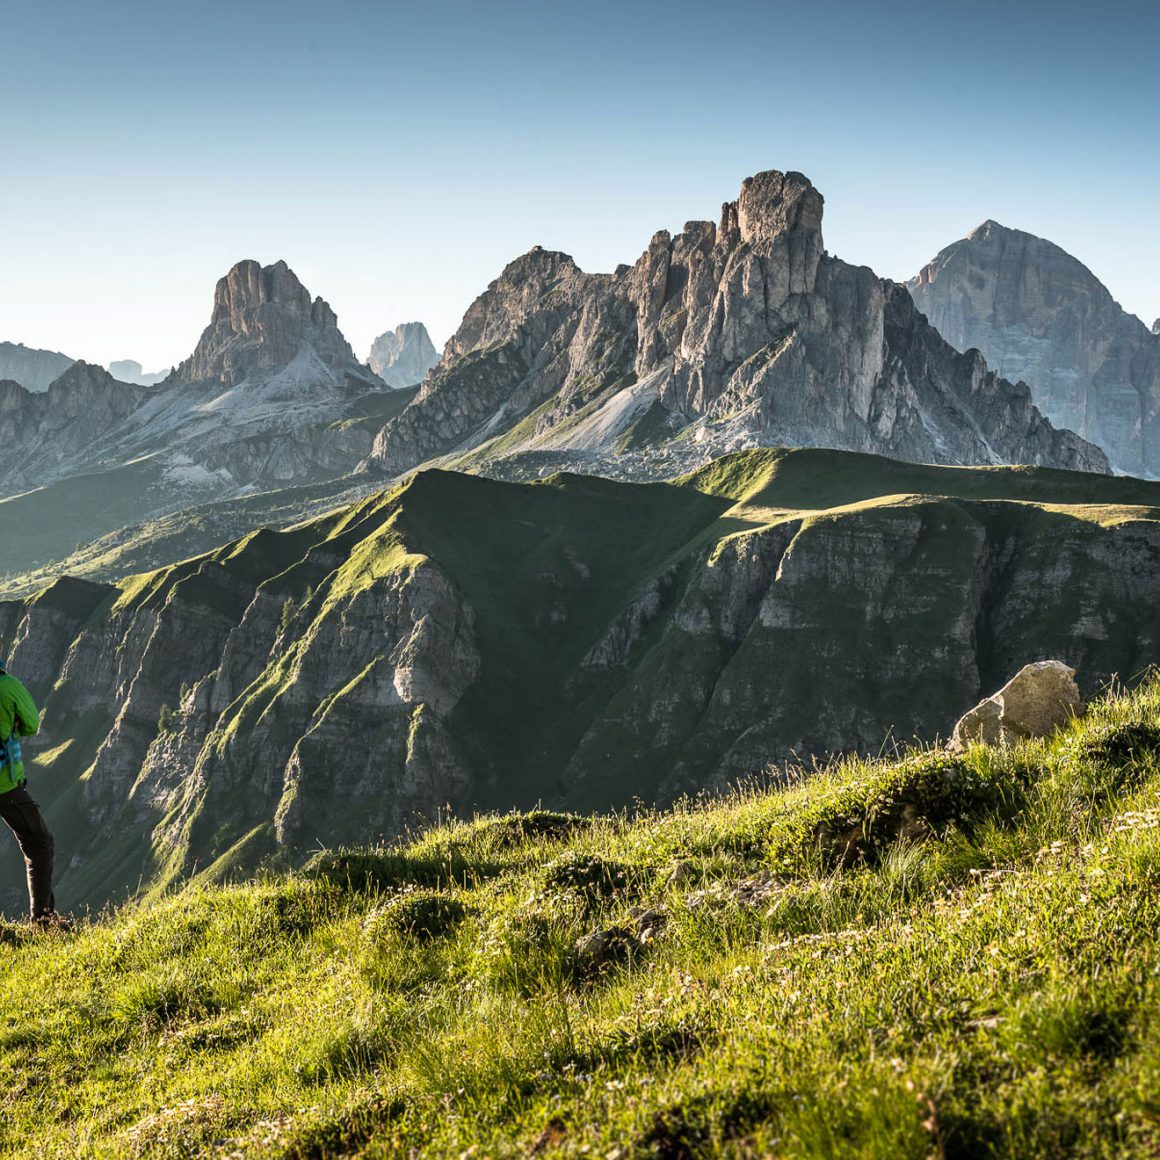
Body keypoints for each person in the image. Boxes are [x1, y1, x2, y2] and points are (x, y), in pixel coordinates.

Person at [0, 657, 59, 925]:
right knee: (39, 844)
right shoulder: (8, 686)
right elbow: (32, 725)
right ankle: (43, 921)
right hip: (6, 786)